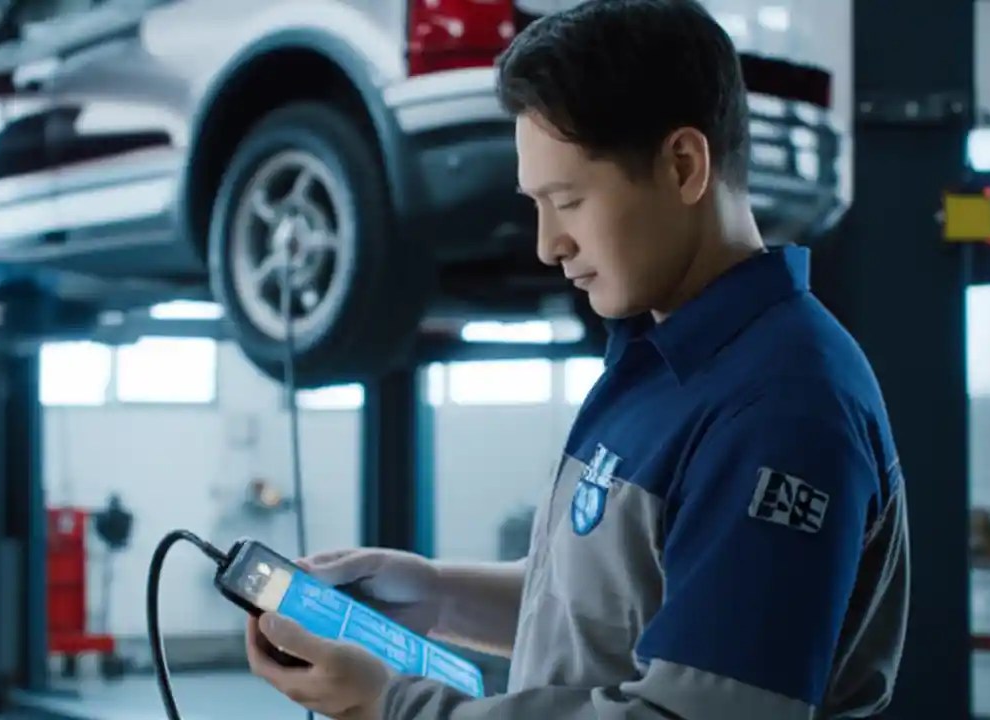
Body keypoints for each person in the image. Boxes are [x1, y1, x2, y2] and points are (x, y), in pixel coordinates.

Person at [244, 1, 911, 718]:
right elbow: (618, 617)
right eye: (536, 204)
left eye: (567, 201)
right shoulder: (658, 363)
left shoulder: (780, 407)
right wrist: (436, 594)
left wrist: (395, 705)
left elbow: (687, 712)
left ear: (684, 166)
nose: (547, 244)